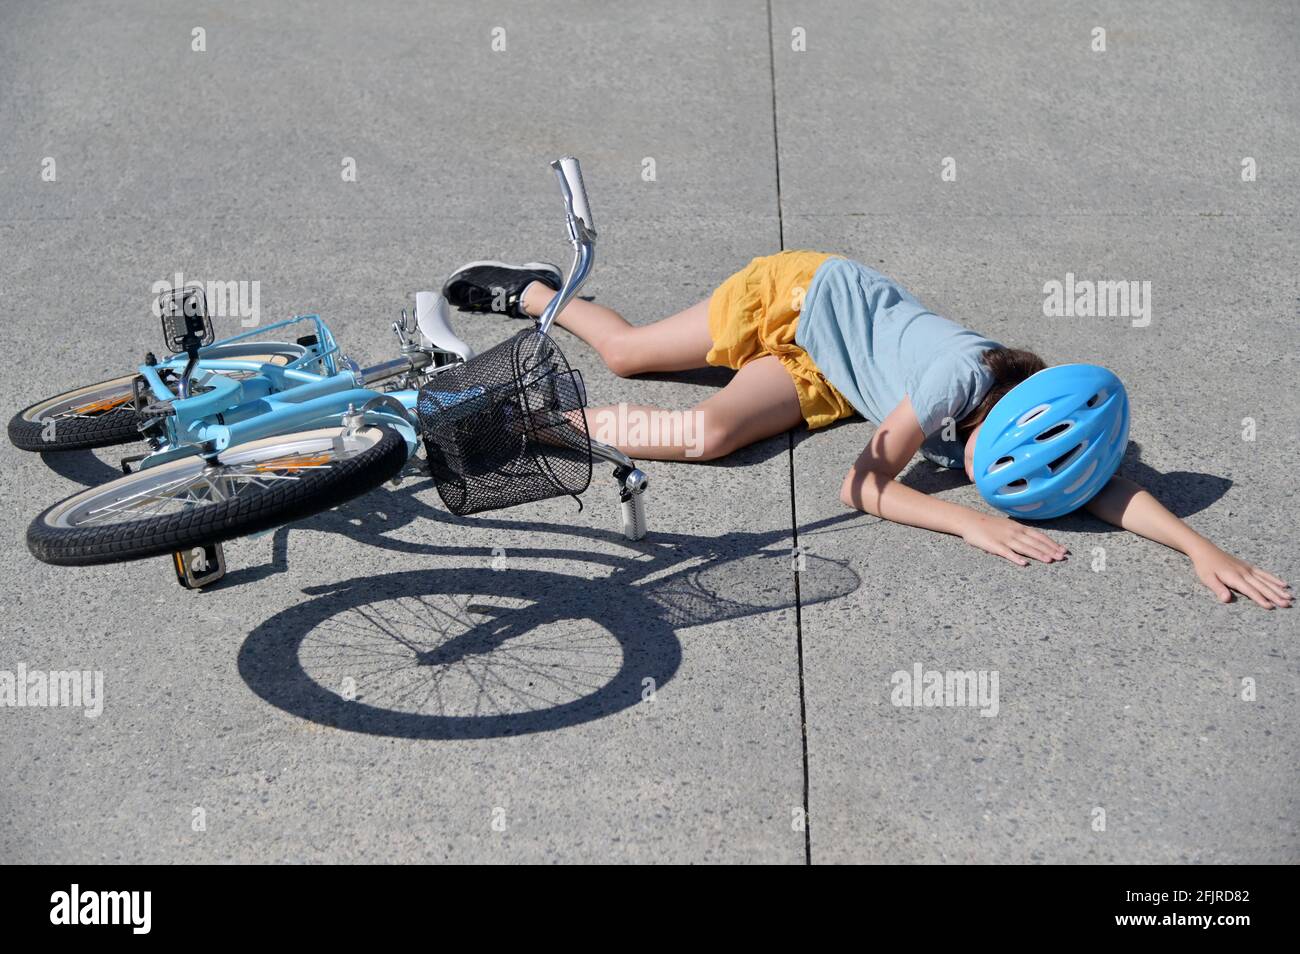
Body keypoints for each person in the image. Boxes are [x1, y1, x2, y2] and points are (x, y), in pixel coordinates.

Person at [442, 254, 1291, 609]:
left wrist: (1196, 549)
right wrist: (967, 519)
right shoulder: (959, 380)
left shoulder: (1025, 410)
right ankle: (532, 293)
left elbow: (1102, 484)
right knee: (628, 355)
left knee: (706, 435)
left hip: (836, 375)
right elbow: (863, 488)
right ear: (1005, 408)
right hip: (805, 296)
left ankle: (530, 424)